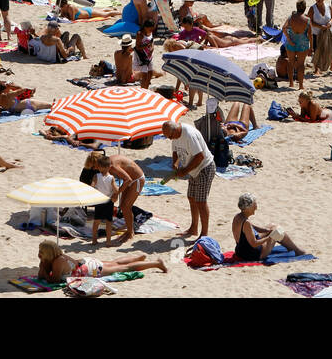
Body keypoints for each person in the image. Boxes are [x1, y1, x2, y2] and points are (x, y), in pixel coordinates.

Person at [161, 119, 215, 239]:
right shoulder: (174, 136)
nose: (170, 139)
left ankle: (204, 233)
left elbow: (200, 156)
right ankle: (193, 228)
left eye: (170, 136)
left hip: (204, 167)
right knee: (191, 197)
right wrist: (175, 164)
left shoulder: (189, 134)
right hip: (193, 170)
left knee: (201, 201)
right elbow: (175, 152)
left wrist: (184, 171)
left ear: (175, 130)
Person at [37, 238, 167, 282]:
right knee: (114, 262)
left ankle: (156, 263)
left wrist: (43, 272)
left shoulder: (57, 261)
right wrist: (42, 266)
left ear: (48, 253)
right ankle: (137, 258)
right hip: (86, 262)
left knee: (123, 268)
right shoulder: (59, 256)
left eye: (41, 252)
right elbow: (41, 275)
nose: (39, 254)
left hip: (90, 269)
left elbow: (53, 280)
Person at [232, 194, 308, 261]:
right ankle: (297, 251)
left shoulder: (238, 217)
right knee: (278, 231)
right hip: (253, 255)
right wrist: (269, 237)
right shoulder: (246, 223)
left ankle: (291, 248)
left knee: (272, 226)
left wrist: (266, 230)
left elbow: (253, 227)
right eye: (255, 205)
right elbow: (254, 244)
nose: (256, 207)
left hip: (241, 251)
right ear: (248, 207)